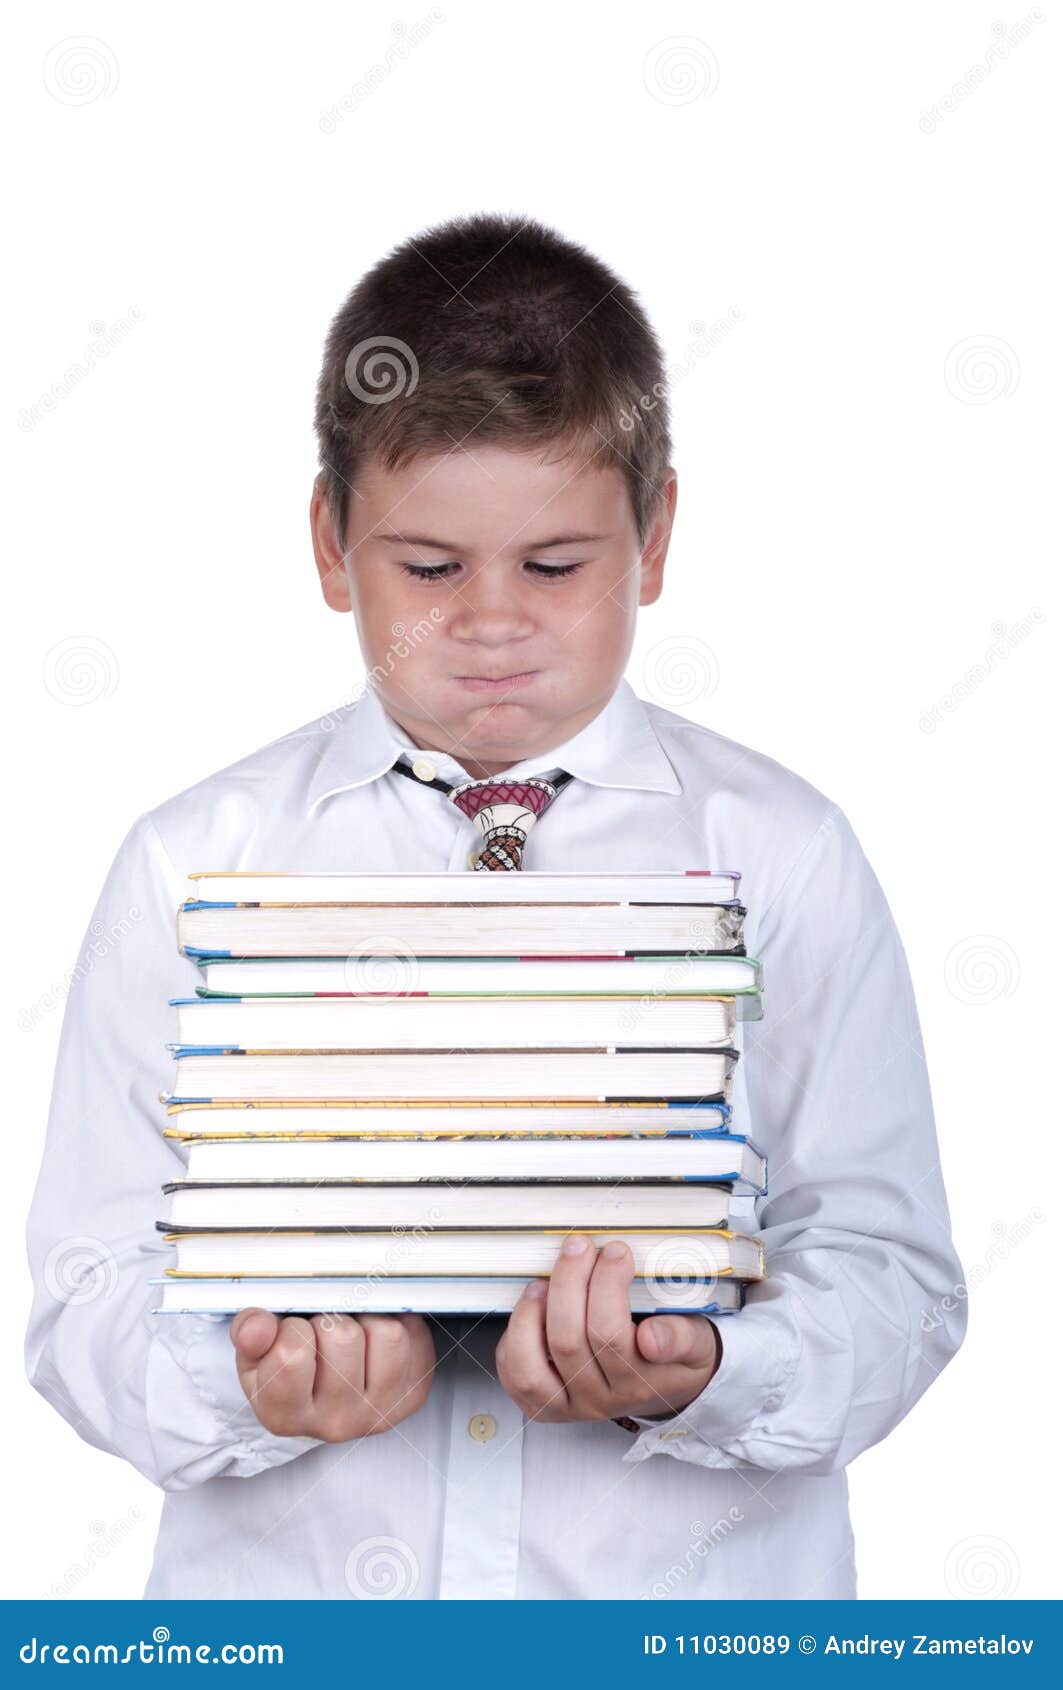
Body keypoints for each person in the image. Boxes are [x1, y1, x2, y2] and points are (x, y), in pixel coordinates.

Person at [24, 213, 965, 1600]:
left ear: (654, 537)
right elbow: (84, 1295)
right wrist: (246, 1385)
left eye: (555, 564)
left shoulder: (786, 857)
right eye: (428, 567)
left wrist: (710, 1370)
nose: (491, 621)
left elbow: (896, 1278)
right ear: (331, 545)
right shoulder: (193, 864)